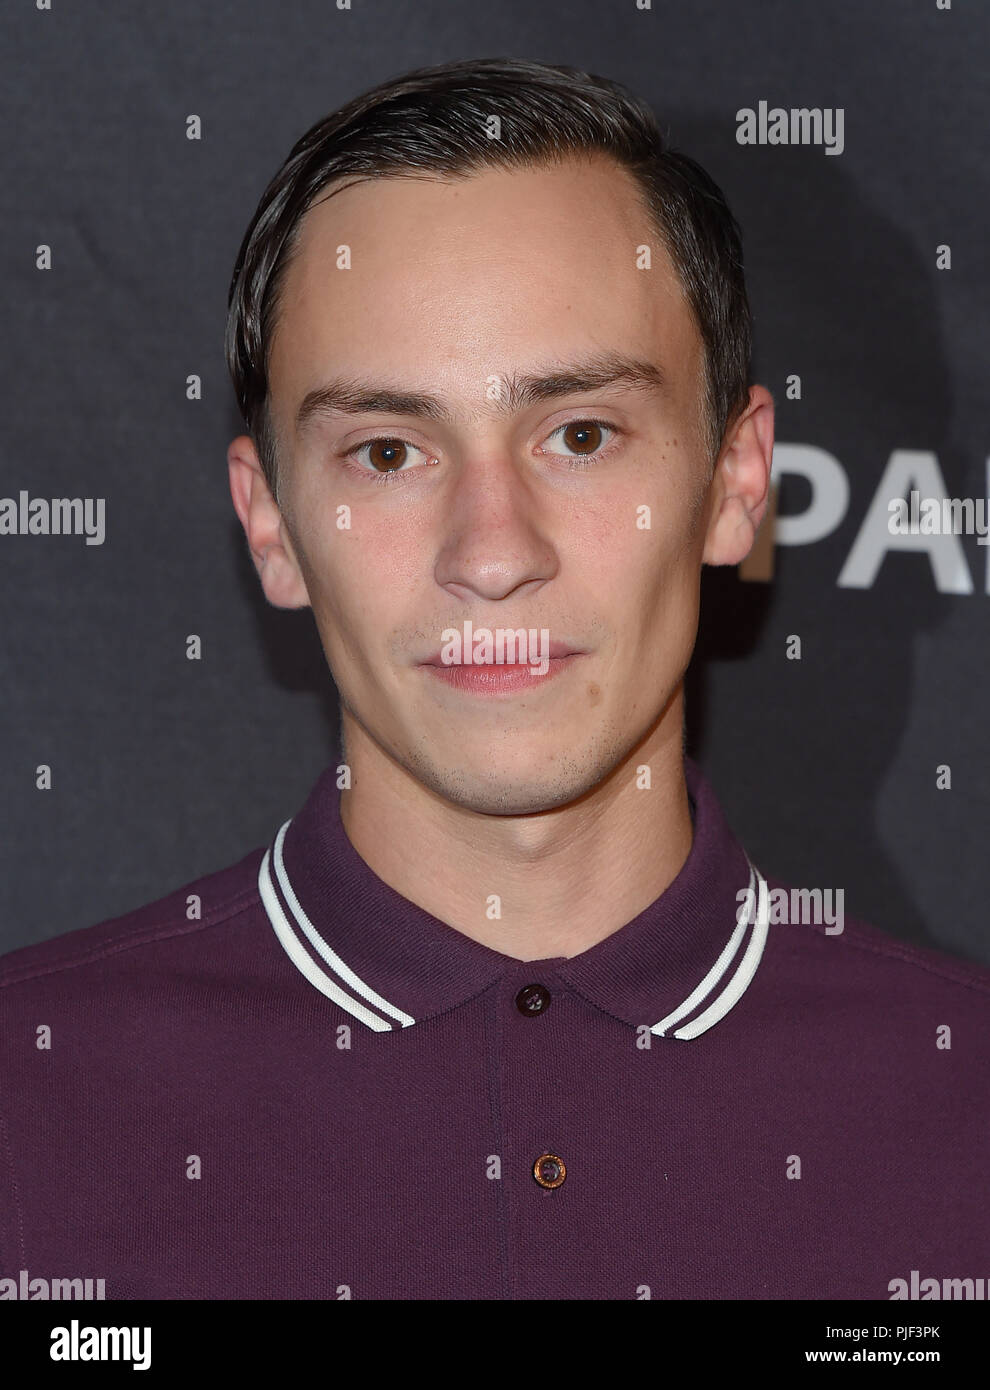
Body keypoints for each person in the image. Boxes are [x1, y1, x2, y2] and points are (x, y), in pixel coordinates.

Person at [1, 57, 986, 1302]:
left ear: (737, 481)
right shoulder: (23, 1106)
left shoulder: (965, 1108)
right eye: (389, 450)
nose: (493, 553)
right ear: (269, 526)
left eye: (579, 434)